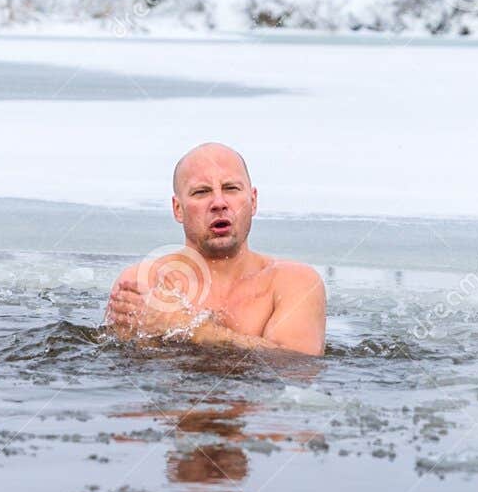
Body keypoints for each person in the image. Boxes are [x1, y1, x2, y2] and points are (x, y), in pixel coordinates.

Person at [105, 142, 326, 357]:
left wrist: (188, 328)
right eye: (201, 192)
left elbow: (297, 364)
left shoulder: (294, 283)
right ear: (178, 209)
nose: (219, 203)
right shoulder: (145, 283)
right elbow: (123, 369)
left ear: (253, 200)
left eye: (231, 188)